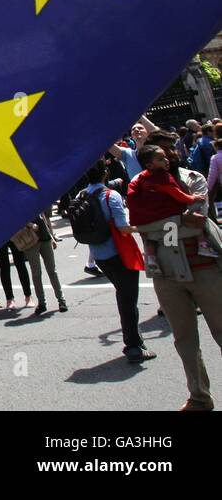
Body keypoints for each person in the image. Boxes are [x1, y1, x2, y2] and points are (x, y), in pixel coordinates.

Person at [129, 132, 222, 410]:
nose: (168, 156)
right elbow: (140, 225)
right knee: (184, 340)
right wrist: (177, 218)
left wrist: (161, 223)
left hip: (205, 268)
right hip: (167, 274)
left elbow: (196, 222)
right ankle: (199, 397)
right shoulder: (139, 185)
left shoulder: (194, 179)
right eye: (160, 152)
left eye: (170, 150)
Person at [77, 158, 155, 363]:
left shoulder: (81, 195)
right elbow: (122, 226)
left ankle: (135, 341)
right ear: (105, 173)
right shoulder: (111, 196)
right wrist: (146, 227)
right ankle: (133, 345)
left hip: (99, 254)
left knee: (124, 295)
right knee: (129, 300)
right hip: (119, 253)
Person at [17, 213, 67, 315]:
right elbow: (17, 219)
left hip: (45, 237)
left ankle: (61, 300)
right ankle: (42, 303)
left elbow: (43, 218)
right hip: (30, 240)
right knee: (36, 274)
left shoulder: (37, 200)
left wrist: (51, 237)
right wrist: (30, 225)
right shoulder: (20, 202)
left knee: (52, 271)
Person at [0, 239, 32, 309]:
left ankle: (28, 296)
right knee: (4, 267)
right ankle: (9, 299)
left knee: (20, 264)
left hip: (14, 234)